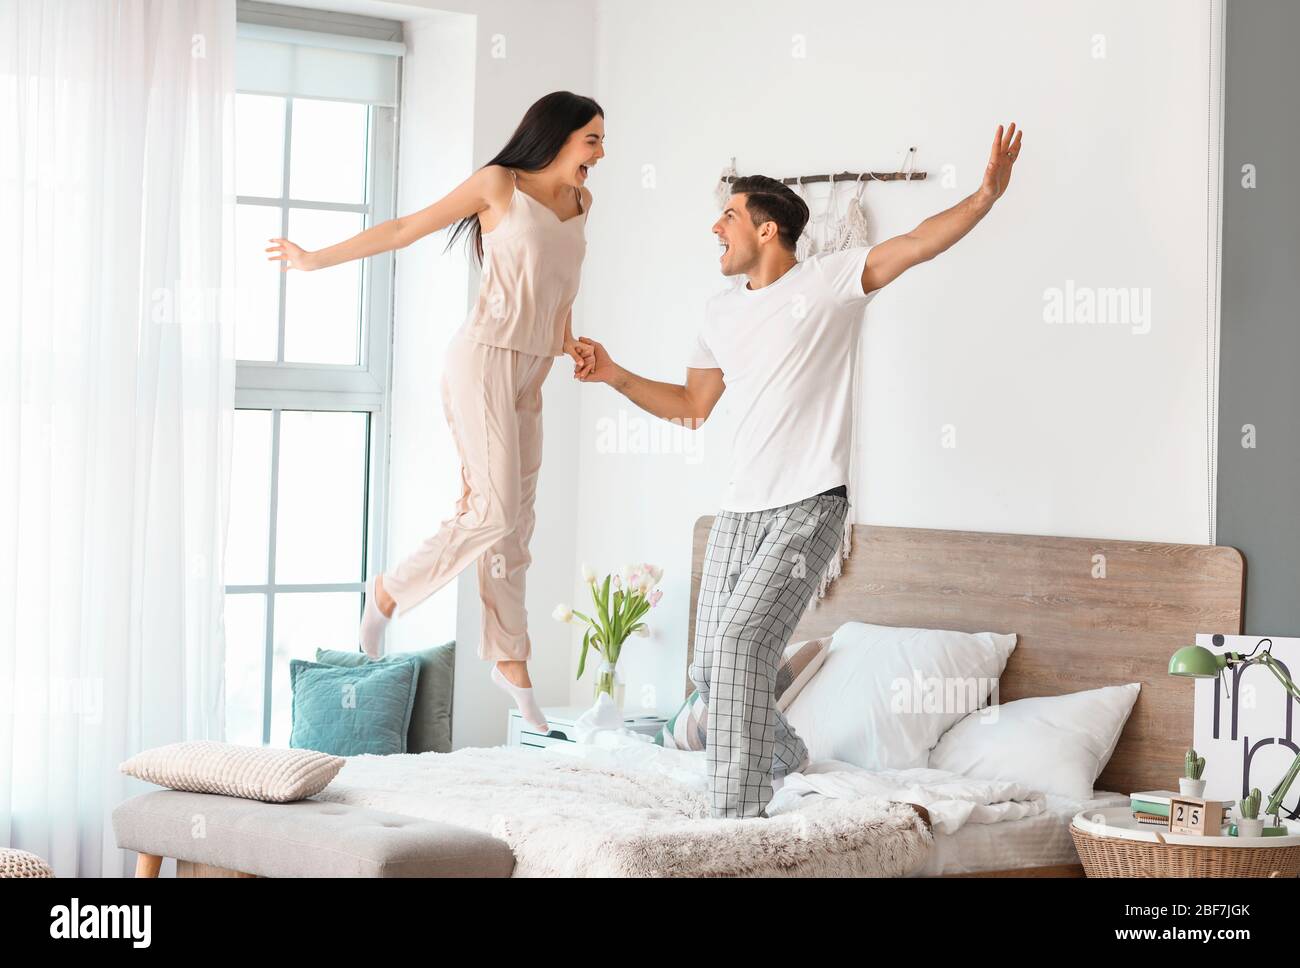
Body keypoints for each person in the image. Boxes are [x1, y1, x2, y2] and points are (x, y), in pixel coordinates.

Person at [578, 123, 1024, 818]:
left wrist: (983, 197)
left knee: (736, 647)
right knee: (708, 668)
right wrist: (612, 374)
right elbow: (694, 405)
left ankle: (735, 812)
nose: (714, 228)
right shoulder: (718, 314)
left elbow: (914, 245)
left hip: (810, 503)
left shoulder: (829, 281)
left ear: (768, 230)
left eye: (727, 216)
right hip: (739, 508)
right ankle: (782, 752)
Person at [266, 92, 607, 734]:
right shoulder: (498, 184)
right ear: (558, 136)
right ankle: (389, 591)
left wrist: (567, 340)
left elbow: (560, 285)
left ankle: (514, 672)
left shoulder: (582, 204)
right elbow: (404, 229)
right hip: (483, 358)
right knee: (493, 509)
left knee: (514, 529)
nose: (600, 153)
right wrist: (313, 259)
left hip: (534, 367)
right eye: (592, 139)